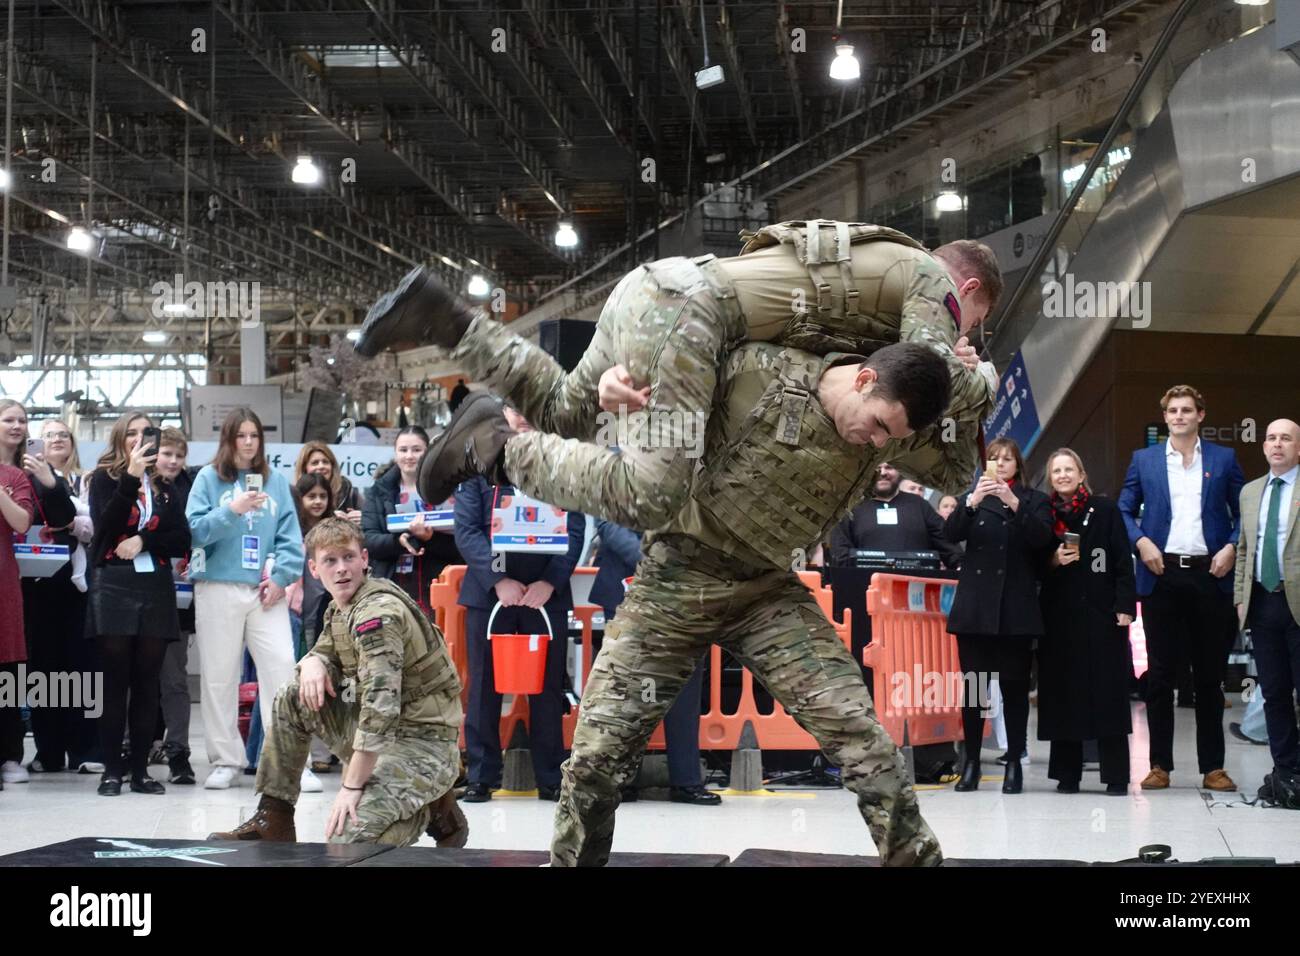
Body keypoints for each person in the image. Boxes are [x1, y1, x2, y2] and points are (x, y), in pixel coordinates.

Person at [542, 340, 977, 866]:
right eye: (880, 426)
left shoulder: (888, 426)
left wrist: (973, 379)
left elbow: (955, 471)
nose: (878, 443)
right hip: (675, 581)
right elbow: (662, 385)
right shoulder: (755, 371)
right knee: (596, 755)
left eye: (892, 438)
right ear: (863, 380)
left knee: (862, 737)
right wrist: (611, 387)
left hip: (765, 591)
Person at [359, 223, 1000, 531]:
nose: (965, 333)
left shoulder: (868, 288)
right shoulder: (931, 281)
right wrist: (986, 378)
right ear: (967, 288)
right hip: (689, 314)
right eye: (974, 321)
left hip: (662, 293)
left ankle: (441, 317)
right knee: (652, 495)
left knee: (563, 409)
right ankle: (496, 447)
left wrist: (624, 393)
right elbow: (935, 375)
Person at [209, 518, 468, 847]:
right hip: (387, 737)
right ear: (314, 569)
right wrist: (312, 661)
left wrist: (352, 786)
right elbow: (328, 648)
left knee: (349, 839)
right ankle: (273, 816)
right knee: (294, 695)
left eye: (348, 557)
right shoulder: (341, 607)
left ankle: (435, 811)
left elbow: (380, 709)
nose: (342, 569)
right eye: (330, 560)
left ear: (364, 559)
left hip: (423, 742)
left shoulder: (378, 616)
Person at [454, 405, 584, 802]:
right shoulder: (479, 463)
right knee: (484, 688)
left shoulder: (560, 462)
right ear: (503, 413)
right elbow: (468, 529)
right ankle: (481, 775)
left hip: (545, 595)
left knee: (547, 688)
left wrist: (549, 581)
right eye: (516, 408)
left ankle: (551, 777)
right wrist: (499, 580)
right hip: (490, 594)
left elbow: (575, 527)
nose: (524, 416)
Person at [1118, 385, 1244, 792]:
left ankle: (1213, 767)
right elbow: (1123, 509)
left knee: (1209, 678)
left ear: (1200, 415)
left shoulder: (1224, 459)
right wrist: (1141, 542)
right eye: (1172, 410)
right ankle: (1160, 765)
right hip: (1161, 574)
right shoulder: (1146, 460)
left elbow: (1245, 511)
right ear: (1166, 416)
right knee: (1160, 677)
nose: (1178, 416)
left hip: (1212, 574)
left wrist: (1230, 547)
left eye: (1186, 410)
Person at [186, 407, 304, 790]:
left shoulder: (276, 482)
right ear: (229, 440)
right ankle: (226, 761)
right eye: (242, 436)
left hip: (265, 591)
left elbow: (290, 537)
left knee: (283, 667)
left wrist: (282, 579)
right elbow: (194, 531)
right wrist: (231, 510)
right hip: (217, 585)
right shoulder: (208, 478)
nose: (249, 442)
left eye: (255, 435)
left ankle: (286, 761)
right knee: (220, 676)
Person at [87, 412, 191, 796]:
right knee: (115, 682)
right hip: (113, 583)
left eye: (145, 433)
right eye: (130, 433)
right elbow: (106, 528)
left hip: (155, 586)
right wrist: (130, 477)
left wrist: (144, 541)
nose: (138, 439)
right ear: (120, 438)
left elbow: (181, 537)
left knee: (147, 683)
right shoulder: (103, 478)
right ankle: (112, 769)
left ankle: (140, 771)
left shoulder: (165, 486)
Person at [943, 437, 1056, 794]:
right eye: (994, 459)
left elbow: (1043, 540)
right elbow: (949, 534)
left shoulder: (1034, 500)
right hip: (976, 608)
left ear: (1018, 466)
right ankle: (972, 762)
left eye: (1008, 459)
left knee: (1014, 688)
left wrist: (1012, 501)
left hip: (1015, 607)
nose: (1001, 464)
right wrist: (974, 501)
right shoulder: (973, 500)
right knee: (975, 690)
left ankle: (1014, 762)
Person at [589, 517, 719, 806]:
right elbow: (609, 523)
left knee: (685, 681)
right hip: (626, 581)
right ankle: (622, 779)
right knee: (625, 686)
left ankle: (686, 781)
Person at [1037, 448, 1135, 795]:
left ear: (1081, 474)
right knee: (1065, 694)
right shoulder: (1044, 514)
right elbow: (1033, 563)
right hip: (1059, 618)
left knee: (1107, 694)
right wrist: (1052, 559)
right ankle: (1067, 775)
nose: (1062, 475)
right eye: (1056, 470)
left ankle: (1117, 776)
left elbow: (1123, 559)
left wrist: (1125, 606)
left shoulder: (1104, 509)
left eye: (1068, 469)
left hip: (1101, 614)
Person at [20, 415, 99, 776]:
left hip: (78, 585)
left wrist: (73, 523)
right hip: (37, 585)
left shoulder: (87, 481)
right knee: (43, 668)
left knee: (82, 667)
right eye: (48, 435)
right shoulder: (25, 481)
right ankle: (48, 750)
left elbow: (95, 524)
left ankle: (84, 748)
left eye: (63, 435)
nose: (56, 440)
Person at [1233, 419, 1300, 801]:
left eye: (1286, 438)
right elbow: (1244, 548)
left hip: (1298, 603)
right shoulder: (1250, 492)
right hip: (1263, 603)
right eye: (1271, 438)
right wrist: (1241, 595)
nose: (1277, 444)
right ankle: (1286, 770)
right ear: (1263, 446)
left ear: (1298, 448)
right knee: (1274, 693)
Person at [361, 426, 463, 615]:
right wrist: (400, 542)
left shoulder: (450, 490)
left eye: (417, 450)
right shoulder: (379, 491)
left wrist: (430, 539)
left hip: (436, 585)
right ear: (395, 453)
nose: (409, 456)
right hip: (390, 584)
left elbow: (463, 545)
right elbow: (368, 540)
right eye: (403, 450)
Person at [153, 428, 198, 784]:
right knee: (135, 678)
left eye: (178, 455)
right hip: (136, 590)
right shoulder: (137, 485)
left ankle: (178, 752)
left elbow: (189, 536)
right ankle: (128, 747)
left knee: (174, 678)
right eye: (166, 453)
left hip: (179, 596)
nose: (172, 461)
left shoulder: (192, 488)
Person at [0, 400, 39, 787]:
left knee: (7, 666)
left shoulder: (18, 477)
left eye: (21, 420)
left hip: (4, 580)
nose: (16, 426)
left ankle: (11, 755)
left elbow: (22, 522)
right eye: (8, 419)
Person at [828, 462, 961, 569]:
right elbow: (840, 550)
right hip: (864, 589)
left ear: (900, 470)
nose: (883, 473)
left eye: (889, 467)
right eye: (877, 468)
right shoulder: (852, 506)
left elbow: (946, 541)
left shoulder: (919, 504)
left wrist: (960, 565)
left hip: (915, 591)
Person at [294, 441, 363, 522]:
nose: (321, 466)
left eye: (325, 462)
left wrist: (364, 520)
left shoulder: (350, 493)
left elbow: (370, 525)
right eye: (315, 463)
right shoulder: (294, 496)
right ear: (304, 468)